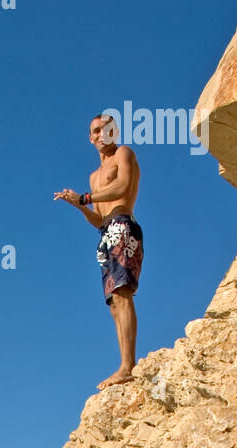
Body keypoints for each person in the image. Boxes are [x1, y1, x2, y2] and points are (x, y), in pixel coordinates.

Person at [55, 115, 143, 390]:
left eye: (107, 128)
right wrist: (79, 205)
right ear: (91, 138)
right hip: (105, 232)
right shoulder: (93, 176)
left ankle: (128, 366)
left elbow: (123, 187)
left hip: (123, 225)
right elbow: (97, 217)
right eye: (96, 130)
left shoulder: (123, 154)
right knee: (113, 303)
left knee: (122, 292)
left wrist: (85, 198)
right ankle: (124, 364)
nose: (102, 133)